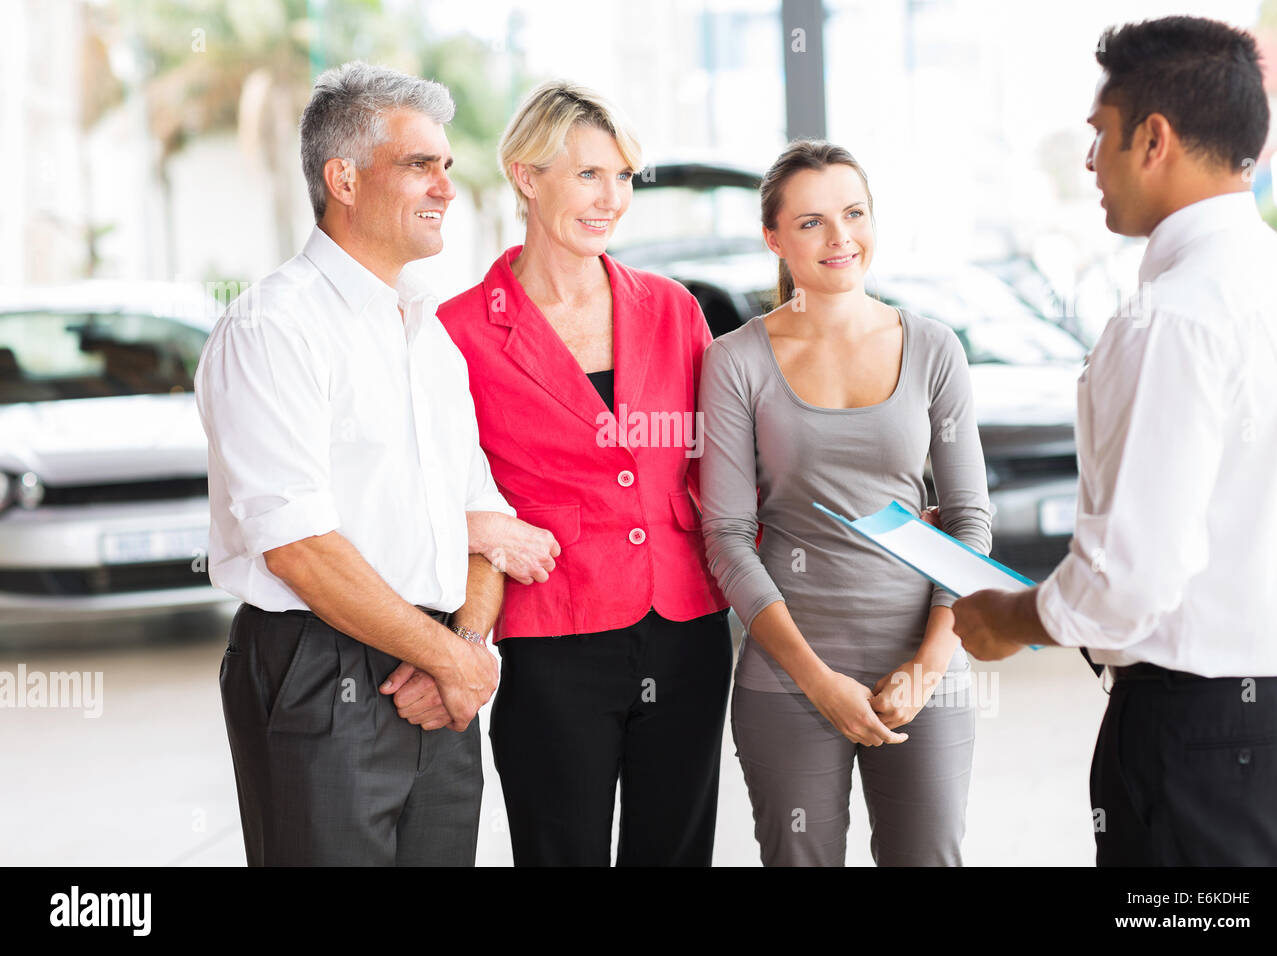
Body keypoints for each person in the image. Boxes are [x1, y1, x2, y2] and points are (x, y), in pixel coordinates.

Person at [953, 16, 1277, 867]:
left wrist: (1011, 618)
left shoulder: (1171, 318)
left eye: (1099, 135)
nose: (1088, 163)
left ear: (1155, 139)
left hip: (1200, 739)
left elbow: (1132, 577)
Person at [195, 61, 512, 866]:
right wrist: (453, 663)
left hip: (439, 672)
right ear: (343, 178)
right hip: (316, 662)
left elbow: (485, 525)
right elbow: (298, 546)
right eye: (419, 164)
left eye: (446, 163)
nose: (445, 184)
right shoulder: (275, 328)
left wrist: (464, 648)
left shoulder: (428, 339)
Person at [437, 80, 732, 867]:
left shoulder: (674, 309)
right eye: (590, 175)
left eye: (624, 177)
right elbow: (435, 485)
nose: (612, 199)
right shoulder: (458, 331)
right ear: (527, 178)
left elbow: (724, 462)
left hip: (686, 624)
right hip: (555, 635)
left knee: (674, 853)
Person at [699, 140, 992, 867]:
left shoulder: (933, 347)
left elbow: (968, 520)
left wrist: (929, 662)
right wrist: (815, 679)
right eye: (811, 223)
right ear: (774, 238)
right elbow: (728, 536)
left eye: (854, 213)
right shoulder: (735, 360)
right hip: (789, 672)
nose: (840, 238)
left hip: (923, 662)